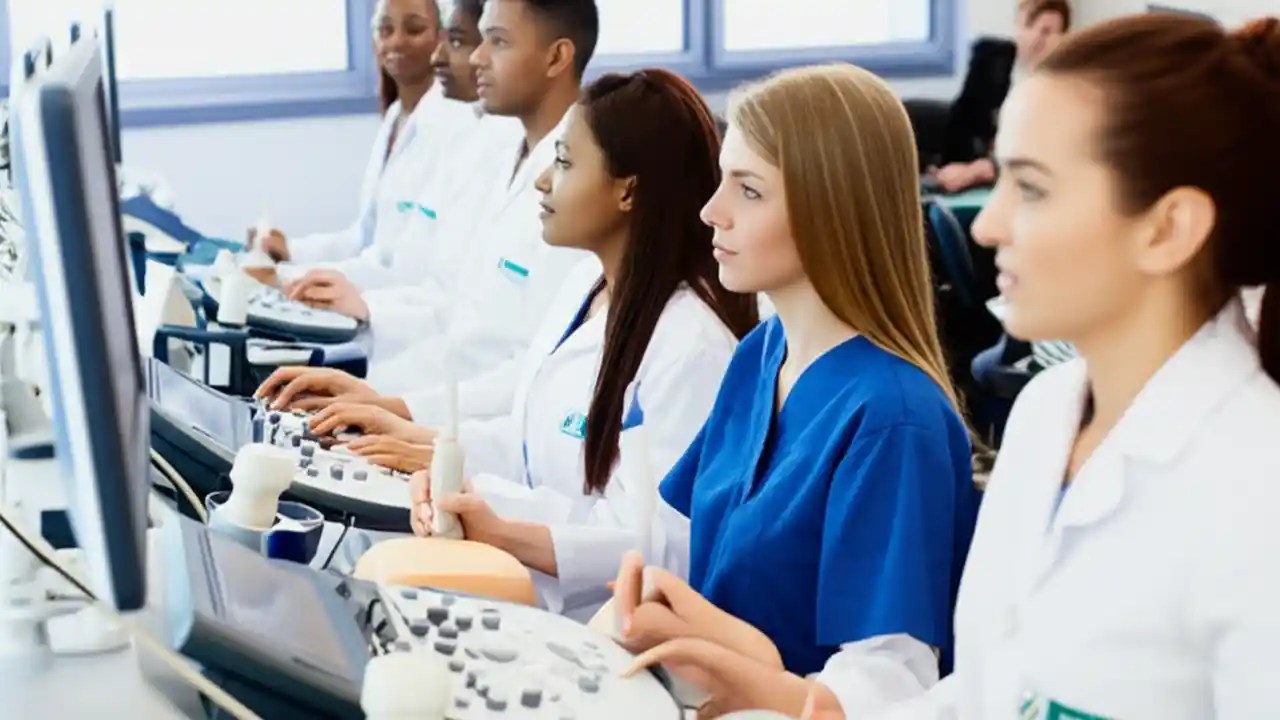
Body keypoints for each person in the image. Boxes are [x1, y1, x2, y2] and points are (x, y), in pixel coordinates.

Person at [630, 14, 1280, 720]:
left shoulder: (1256, 489)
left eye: (1031, 188)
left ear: (1167, 228)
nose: (986, 226)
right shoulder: (1047, 412)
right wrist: (783, 696)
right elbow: (983, 695)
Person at [607, 63, 982, 718]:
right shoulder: (761, 354)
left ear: (832, 211)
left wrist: (733, 659)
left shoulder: (893, 419)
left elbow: (890, 683)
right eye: (722, 180)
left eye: (748, 191)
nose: (711, 212)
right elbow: (685, 545)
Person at [393, 69, 757, 622]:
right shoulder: (584, 288)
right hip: (520, 581)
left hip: (596, 622)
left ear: (627, 190)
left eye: (563, 162)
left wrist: (503, 530)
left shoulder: (692, 347)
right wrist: (430, 455)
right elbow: (526, 444)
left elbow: (662, 544)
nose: (542, 181)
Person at [256, 0, 600, 427]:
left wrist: (396, 406)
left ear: (556, 57)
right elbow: (453, 305)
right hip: (432, 394)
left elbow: (536, 370)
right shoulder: (500, 157)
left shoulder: (580, 186)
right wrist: (379, 390)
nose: (476, 58)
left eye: (497, 42)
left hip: (471, 424)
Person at [249, 0, 479, 289]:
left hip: (401, 297)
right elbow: (364, 237)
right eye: (385, 29)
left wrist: (286, 276)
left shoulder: (456, 124)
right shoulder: (395, 116)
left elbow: (397, 265)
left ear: (441, 36)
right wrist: (290, 251)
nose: (396, 41)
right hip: (383, 293)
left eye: (414, 29)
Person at [930, 0, 1071, 194]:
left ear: (1064, 38)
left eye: (1047, 31)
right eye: (1029, 26)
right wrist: (951, 169)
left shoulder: (1066, 89)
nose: (1036, 38)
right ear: (1017, 27)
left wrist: (978, 171)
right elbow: (961, 126)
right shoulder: (992, 61)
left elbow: (1043, 152)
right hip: (975, 181)